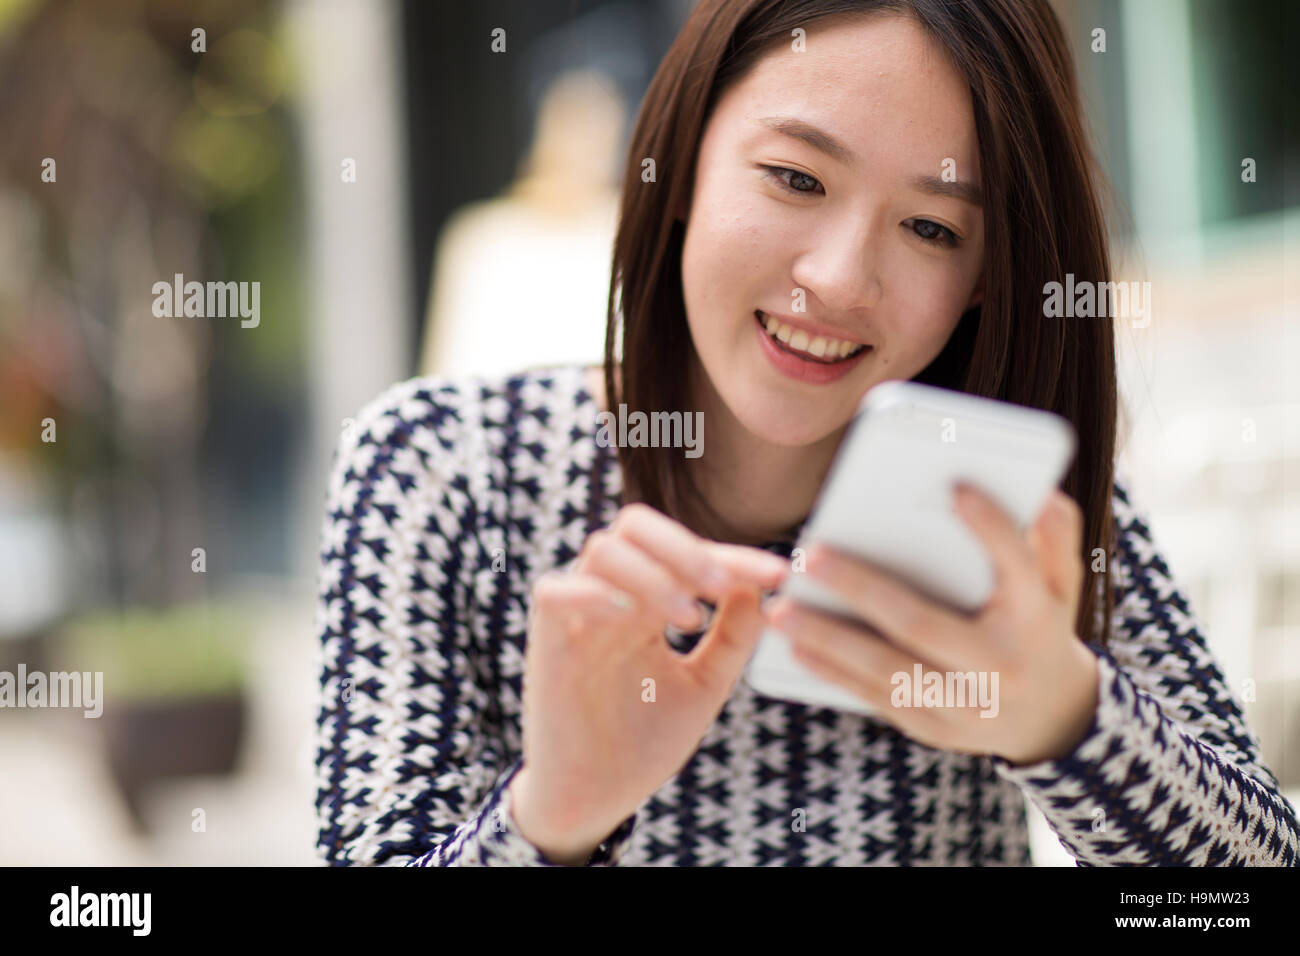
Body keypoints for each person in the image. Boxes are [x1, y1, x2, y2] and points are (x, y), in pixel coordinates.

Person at [313, 0, 1299, 866]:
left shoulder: (1002, 514)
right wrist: (551, 818)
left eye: (931, 229)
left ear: (985, 280)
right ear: (682, 154)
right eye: (795, 177)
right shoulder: (440, 472)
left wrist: (1065, 720)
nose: (837, 278)